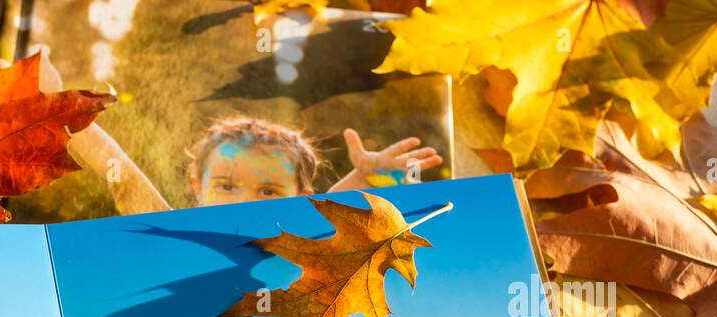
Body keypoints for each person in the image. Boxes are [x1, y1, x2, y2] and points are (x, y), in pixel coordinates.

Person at [30, 52, 442, 215]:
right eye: (227, 186)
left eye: (268, 192)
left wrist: (373, 174)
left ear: (301, 198)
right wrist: (55, 104)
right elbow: (121, 175)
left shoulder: (304, 235)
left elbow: (340, 210)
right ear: (197, 188)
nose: (244, 202)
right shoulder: (180, 235)